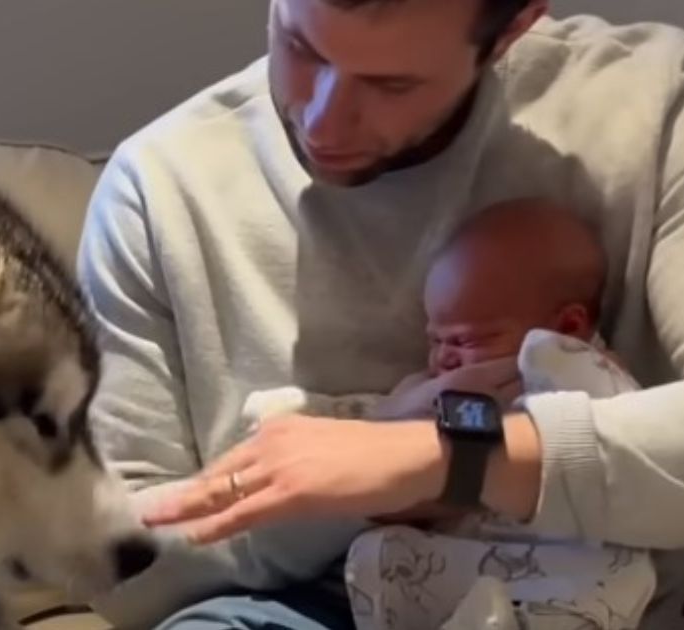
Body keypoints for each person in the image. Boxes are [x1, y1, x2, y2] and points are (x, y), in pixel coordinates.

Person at [75, 1, 684, 628]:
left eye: (392, 84)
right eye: (299, 43)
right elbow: (117, 562)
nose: (322, 119)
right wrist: (346, 500)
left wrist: (451, 457)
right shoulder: (158, 189)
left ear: (511, 31)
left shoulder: (648, 111)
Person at [240, 198, 658, 630]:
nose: (444, 357)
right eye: (436, 339)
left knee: (605, 589)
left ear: (567, 329)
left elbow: (632, 456)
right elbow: (371, 434)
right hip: (449, 578)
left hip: (568, 585)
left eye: (467, 340)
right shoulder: (430, 389)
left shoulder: (591, 378)